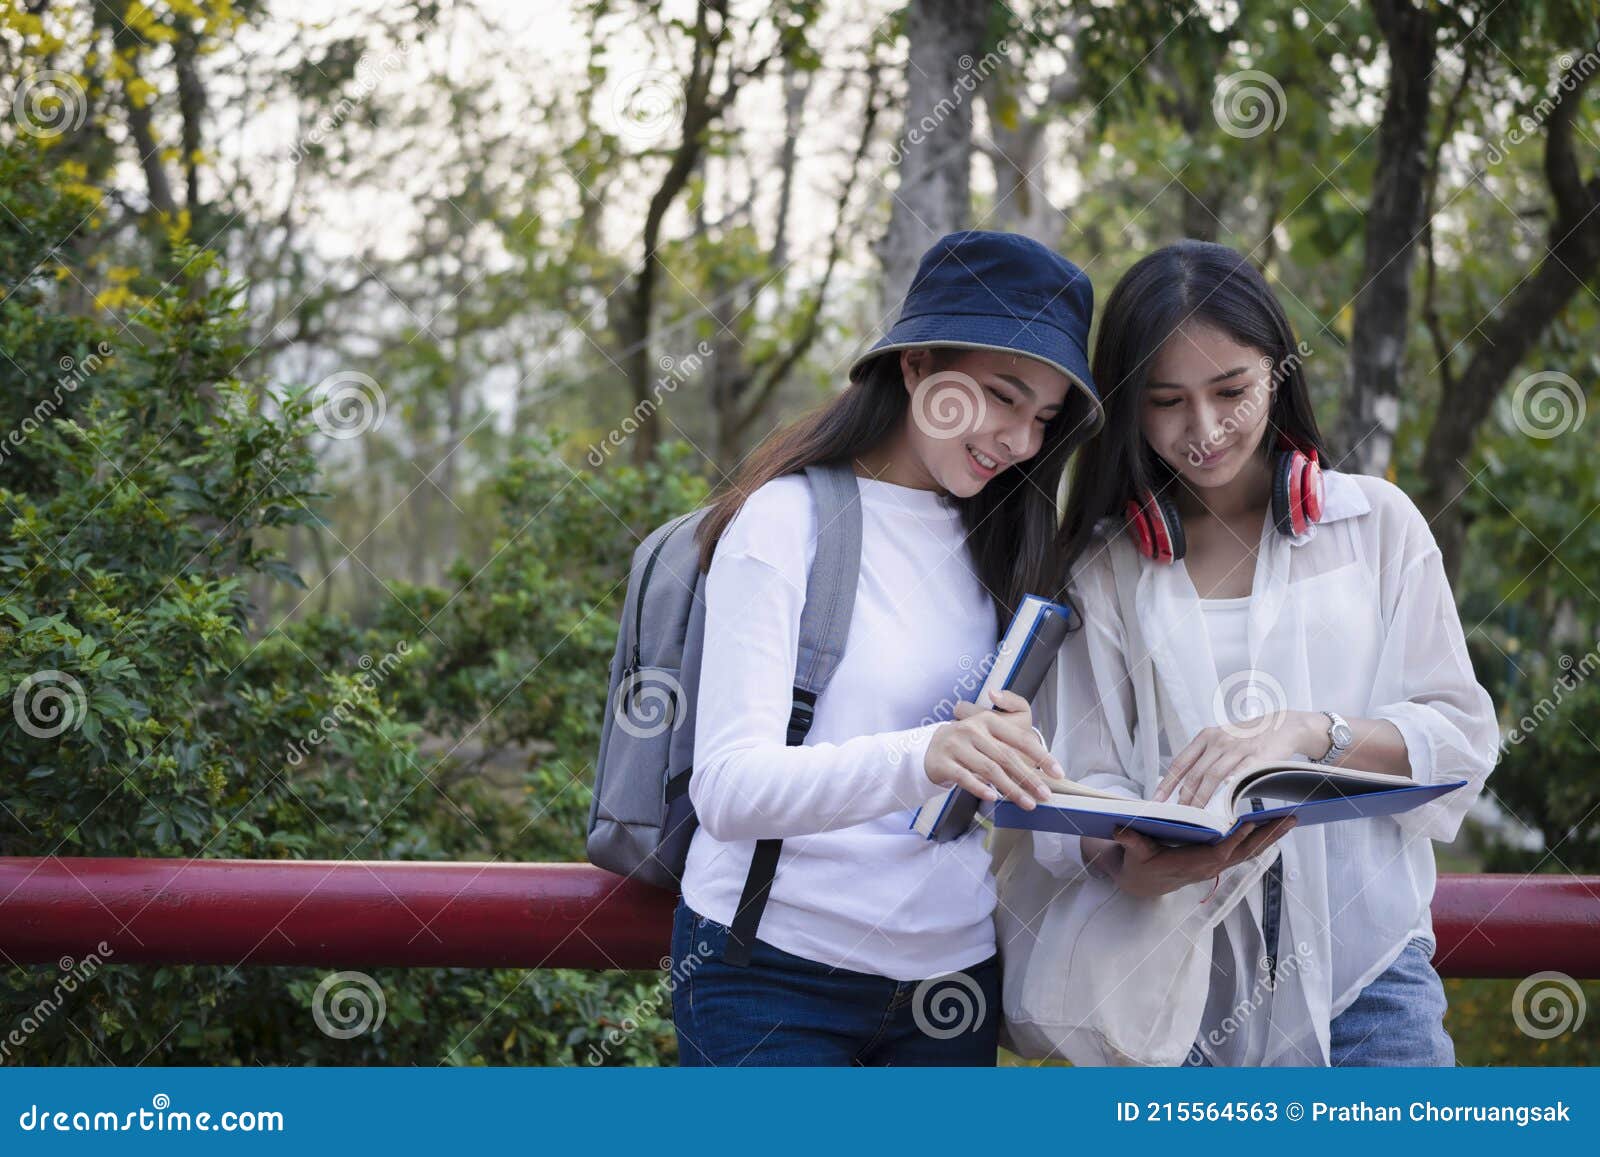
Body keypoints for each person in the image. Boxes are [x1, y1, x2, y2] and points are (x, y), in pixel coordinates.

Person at [1031, 240, 1498, 1066]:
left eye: (1232, 391)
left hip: (1369, 976)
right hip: (1180, 988)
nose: (1204, 431)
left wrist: (1306, 733)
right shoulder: (1106, 569)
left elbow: (1459, 736)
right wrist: (1134, 865)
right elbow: (1083, 781)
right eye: (1166, 400)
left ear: (1279, 373)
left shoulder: (1375, 527)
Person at [670, 230, 1102, 1066]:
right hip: (771, 975)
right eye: (1002, 397)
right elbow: (727, 787)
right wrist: (933, 752)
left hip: (949, 980)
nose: (1018, 440)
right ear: (914, 365)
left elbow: (980, 781)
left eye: (1044, 418)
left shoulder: (1006, 540)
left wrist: (1009, 751)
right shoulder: (785, 521)